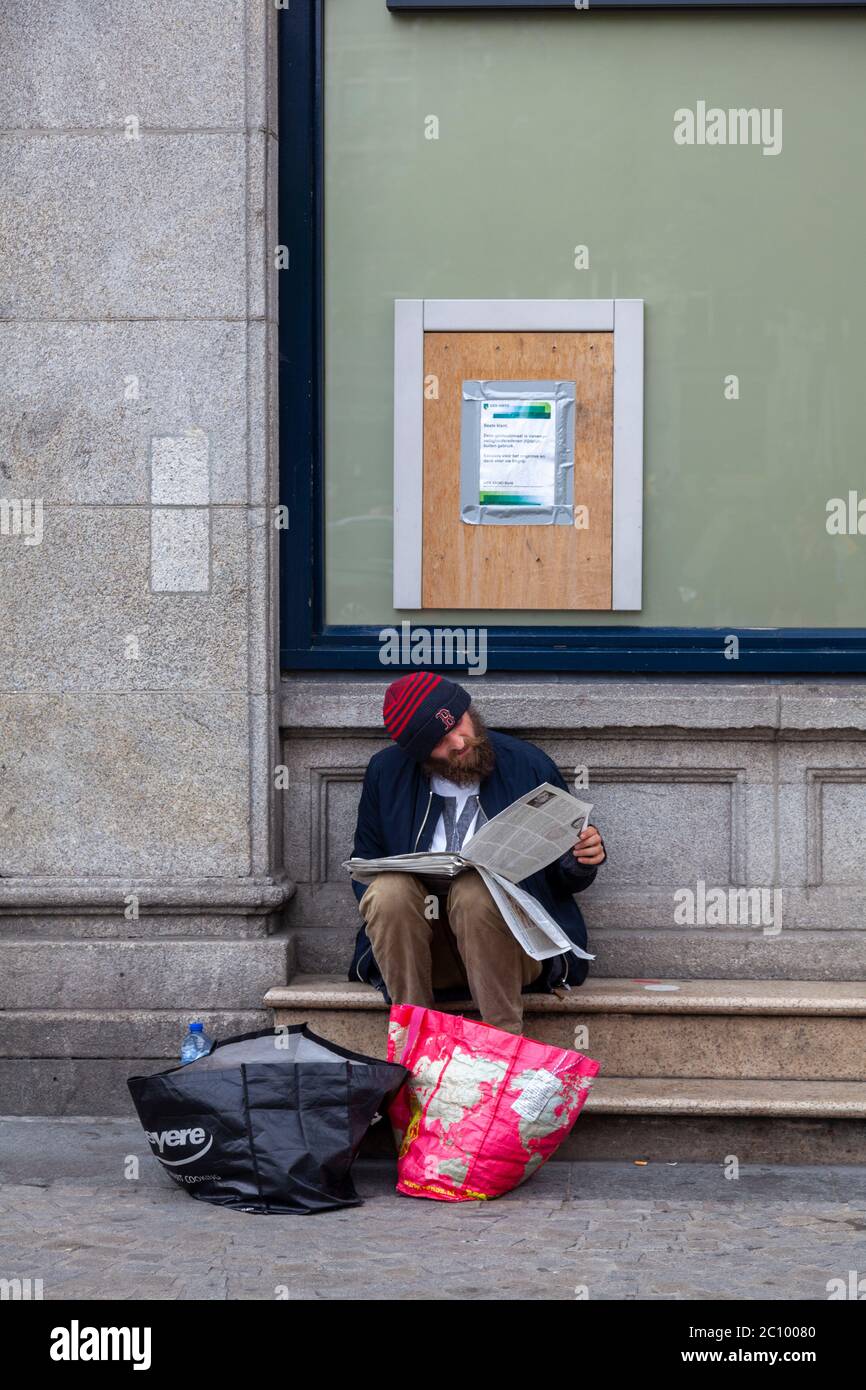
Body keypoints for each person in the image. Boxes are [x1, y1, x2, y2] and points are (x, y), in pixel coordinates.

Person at [347, 672, 606, 1035]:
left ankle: (501, 1042)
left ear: (468, 710)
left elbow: (561, 878)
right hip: (422, 955)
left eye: (458, 723)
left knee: (474, 890)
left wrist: (581, 859)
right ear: (419, 754)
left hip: (513, 950)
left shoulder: (524, 763)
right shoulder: (386, 773)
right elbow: (366, 869)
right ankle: (414, 1036)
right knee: (388, 890)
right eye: (440, 741)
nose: (458, 741)